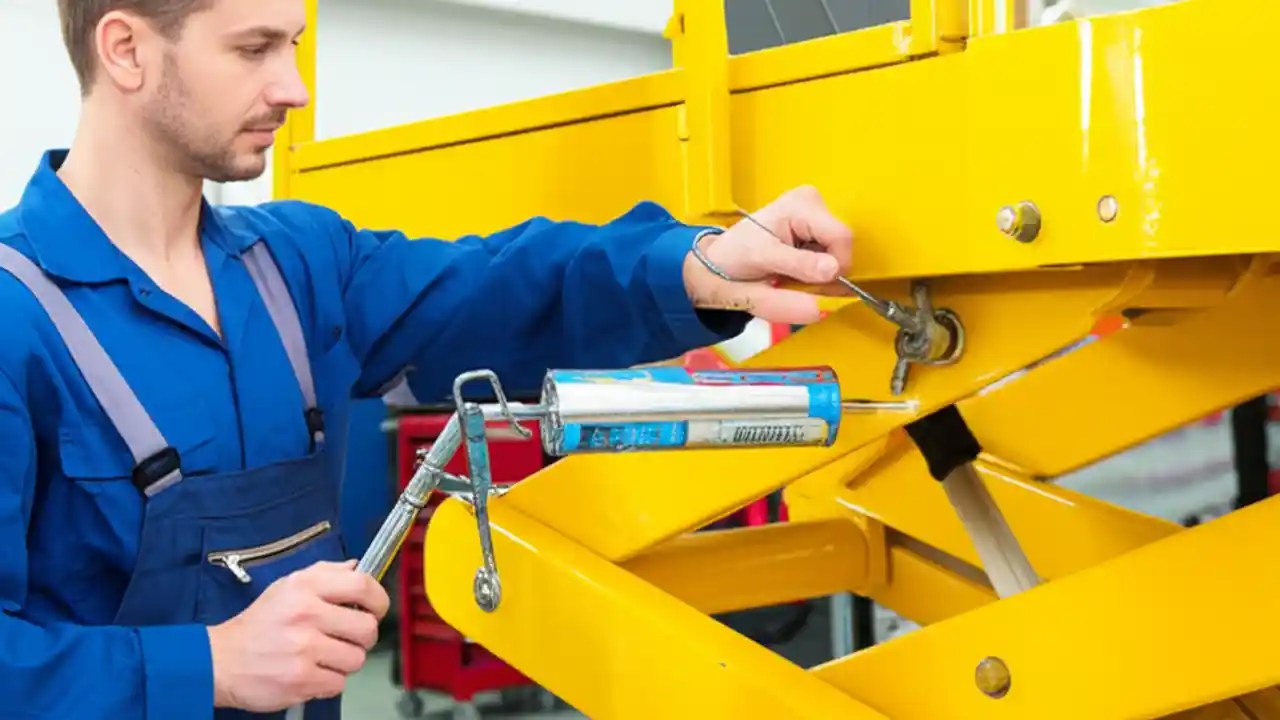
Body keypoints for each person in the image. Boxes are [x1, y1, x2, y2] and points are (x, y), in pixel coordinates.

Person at [0, 0, 855, 718]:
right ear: (126, 50)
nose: (292, 87)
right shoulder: (16, 314)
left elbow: (499, 286)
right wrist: (211, 664)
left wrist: (697, 263)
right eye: (253, 48)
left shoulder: (298, 266)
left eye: (292, 44)